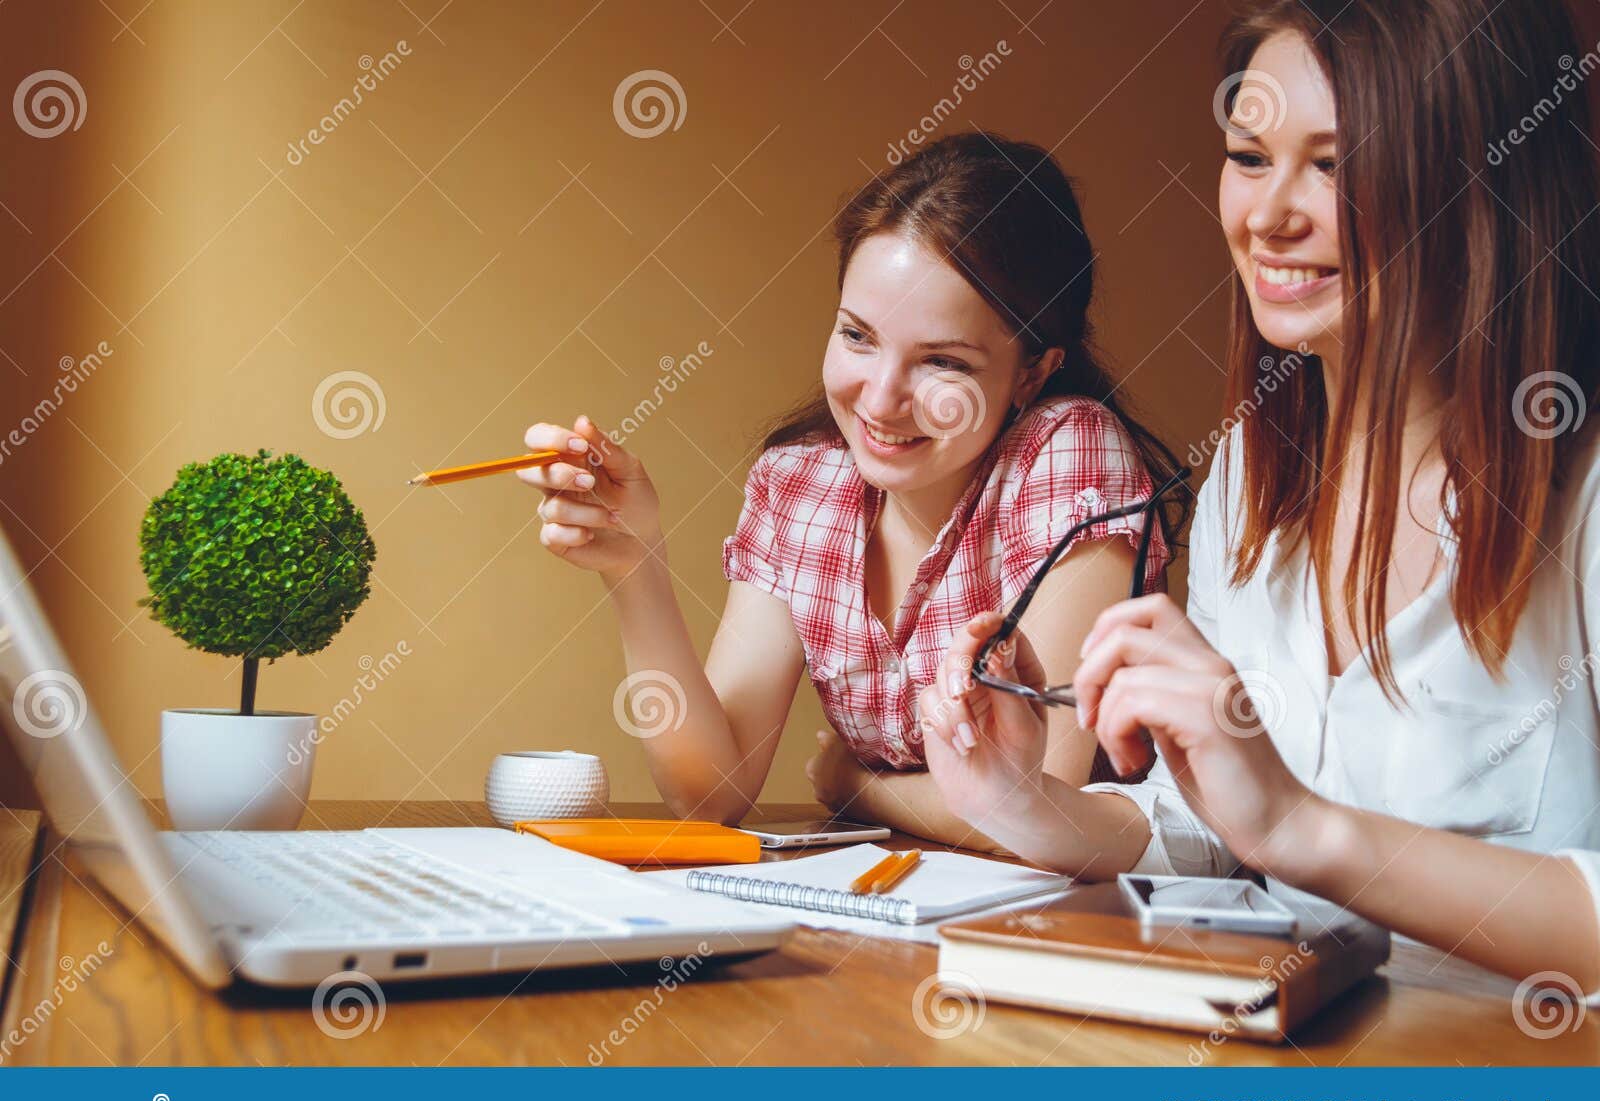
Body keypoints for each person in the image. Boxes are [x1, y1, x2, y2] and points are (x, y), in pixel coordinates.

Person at [921, 0, 1600, 994]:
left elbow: (1278, 819)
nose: (1270, 214)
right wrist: (1020, 796)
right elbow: (1219, 824)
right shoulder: (1252, 466)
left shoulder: (1578, 486)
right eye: (1248, 155)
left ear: (1485, 187)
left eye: (1335, 166)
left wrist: (1303, 828)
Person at [521, 132, 1187, 849]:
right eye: (858, 336)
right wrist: (635, 562)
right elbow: (709, 791)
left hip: (1076, 927)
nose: (881, 399)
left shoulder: (1069, 452)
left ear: (1032, 372)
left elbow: (1037, 808)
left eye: (941, 362)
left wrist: (857, 786)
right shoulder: (801, 483)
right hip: (893, 919)